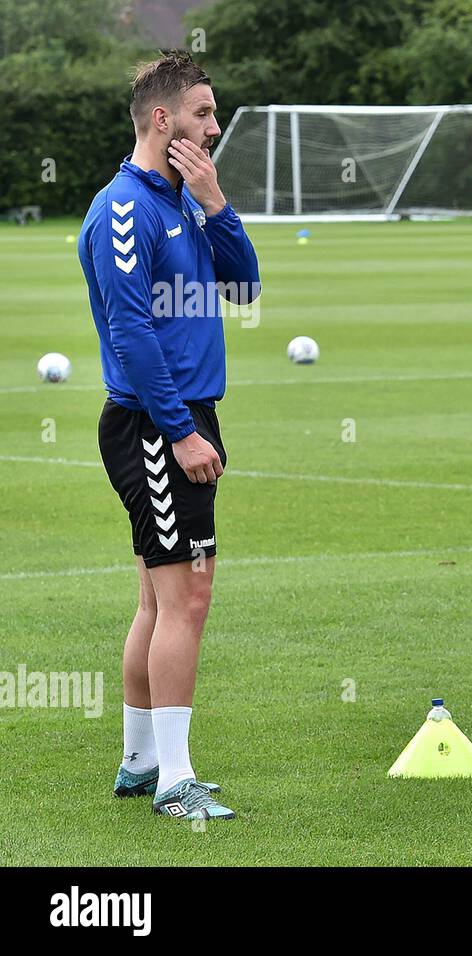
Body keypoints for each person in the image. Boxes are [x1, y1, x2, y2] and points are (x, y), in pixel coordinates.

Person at [78, 51, 260, 820]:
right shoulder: (125, 208)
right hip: (156, 422)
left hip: (183, 416)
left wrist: (218, 205)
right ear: (164, 119)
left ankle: (140, 762)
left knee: (162, 597)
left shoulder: (185, 198)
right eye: (204, 114)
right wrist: (181, 432)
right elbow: (131, 333)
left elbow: (245, 288)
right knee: (186, 597)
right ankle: (174, 784)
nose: (214, 127)